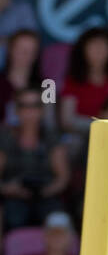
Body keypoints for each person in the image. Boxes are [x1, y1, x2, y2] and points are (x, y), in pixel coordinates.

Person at [0, 88, 69, 230]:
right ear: (17, 110)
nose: (29, 111)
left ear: (42, 110)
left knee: (57, 220)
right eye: (24, 106)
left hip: (48, 197)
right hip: (12, 198)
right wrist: (11, 189)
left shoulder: (51, 137)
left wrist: (44, 191)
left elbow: (63, 178)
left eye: (35, 106)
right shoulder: (5, 137)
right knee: (13, 217)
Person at [59, 25, 108, 138]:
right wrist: (100, 126)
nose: (99, 51)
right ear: (83, 49)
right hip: (82, 138)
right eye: (93, 45)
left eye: (104, 46)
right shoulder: (73, 80)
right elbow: (67, 121)